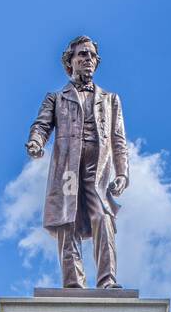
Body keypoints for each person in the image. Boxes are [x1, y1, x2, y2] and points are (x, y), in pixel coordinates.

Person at [26, 35, 129, 289]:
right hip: (68, 168)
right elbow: (41, 126)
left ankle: (107, 281)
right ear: (69, 62)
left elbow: (118, 138)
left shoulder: (110, 99)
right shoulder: (56, 97)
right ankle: (73, 285)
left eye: (92, 55)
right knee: (67, 220)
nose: (88, 60)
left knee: (103, 218)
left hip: (99, 168)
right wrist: (36, 142)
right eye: (82, 55)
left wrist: (123, 172)